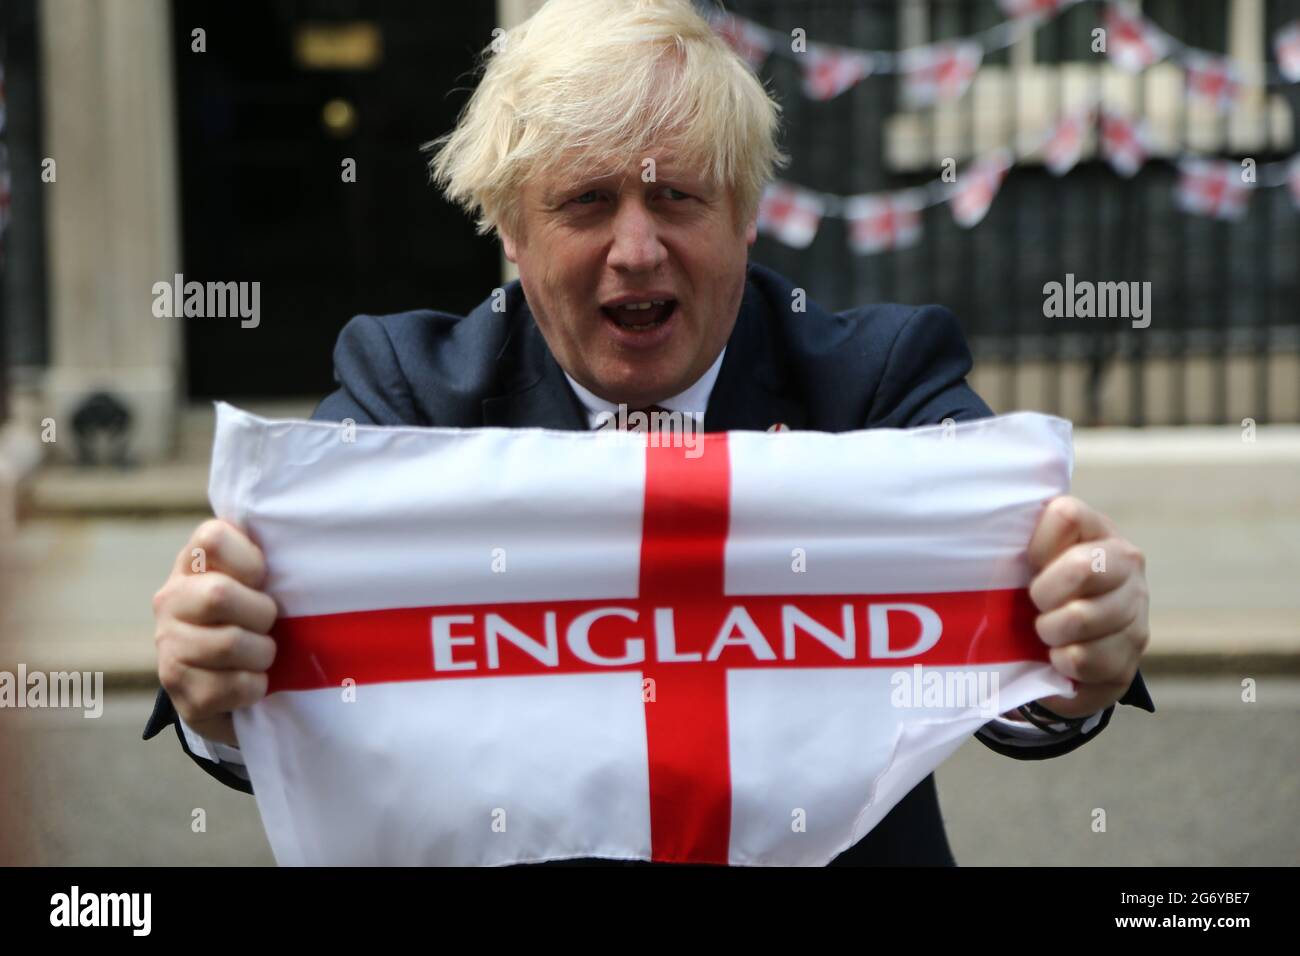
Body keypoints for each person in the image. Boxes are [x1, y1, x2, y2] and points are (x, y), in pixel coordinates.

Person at [145, 0, 1153, 865]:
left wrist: (1075, 656)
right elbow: (274, 667)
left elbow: (1016, 654)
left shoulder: (875, 385)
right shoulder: (408, 394)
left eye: (676, 196)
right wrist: (216, 687)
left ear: (746, 213)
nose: (636, 249)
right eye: (586, 202)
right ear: (512, 231)